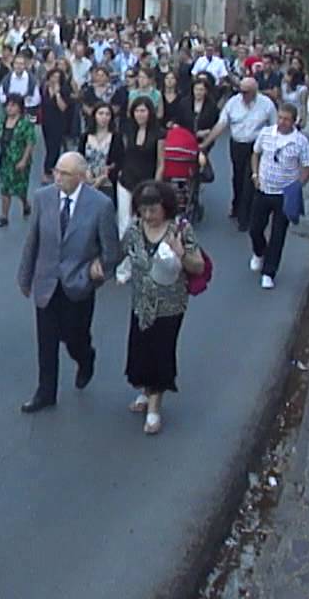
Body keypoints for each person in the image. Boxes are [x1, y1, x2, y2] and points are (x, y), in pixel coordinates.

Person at [16, 153, 122, 413]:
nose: (58, 178)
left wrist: (100, 270)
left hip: (79, 283)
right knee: (46, 340)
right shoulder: (43, 197)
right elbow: (33, 240)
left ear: (81, 177)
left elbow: (111, 249)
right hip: (47, 281)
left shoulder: (100, 205)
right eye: (56, 171)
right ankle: (45, 392)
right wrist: (25, 276)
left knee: (74, 337)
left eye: (64, 174)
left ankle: (85, 358)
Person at [118, 181, 205, 435]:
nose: (148, 216)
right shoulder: (135, 228)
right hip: (141, 301)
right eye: (144, 210)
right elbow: (121, 250)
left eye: (153, 211)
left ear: (165, 208)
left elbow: (198, 266)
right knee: (140, 348)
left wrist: (181, 253)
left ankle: (155, 407)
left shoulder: (180, 229)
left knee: (161, 351)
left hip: (169, 304)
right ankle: (146, 391)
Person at [249, 104, 309, 290]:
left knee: (278, 234)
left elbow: (308, 169)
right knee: (255, 228)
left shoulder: (301, 142)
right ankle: (259, 252)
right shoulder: (266, 133)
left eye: (286, 119)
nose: (282, 122)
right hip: (263, 189)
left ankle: (269, 272)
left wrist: (296, 188)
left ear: (294, 121)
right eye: (280, 117)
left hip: (284, 194)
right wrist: (255, 174)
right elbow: (256, 153)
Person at [210, 77, 277, 231]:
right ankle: (236, 204)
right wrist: (206, 143)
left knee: (250, 179)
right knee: (237, 177)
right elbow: (221, 124)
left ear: (254, 91)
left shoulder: (266, 105)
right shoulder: (233, 103)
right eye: (241, 91)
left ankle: (245, 217)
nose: (243, 94)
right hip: (237, 144)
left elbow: (273, 128)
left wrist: (272, 150)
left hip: (256, 146)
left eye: (246, 92)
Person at [117, 98, 166, 235]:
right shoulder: (127, 130)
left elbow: (161, 162)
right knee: (124, 220)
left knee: (144, 218)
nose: (140, 114)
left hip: (147, 182)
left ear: (150, 112)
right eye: (137, 111)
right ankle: (124, 250)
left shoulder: (159, 133)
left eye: (143, 111)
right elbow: (123, 154)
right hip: (126, 180)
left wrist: (156, 184)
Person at [0, 93, 37, 227]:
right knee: (5, 187)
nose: (9, 108)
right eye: (8, 105)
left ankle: (25, 203)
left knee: (20, 187)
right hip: (5, 158)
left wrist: (24, 160)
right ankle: (4, 216)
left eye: (13, 105)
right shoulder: (1, 121)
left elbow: (30, 142)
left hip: (20, 159)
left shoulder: (25, 123)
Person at [81, 102, 124, 206]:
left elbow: (120, 160)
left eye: (107, 114)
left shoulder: (116, 137)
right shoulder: (85, 136)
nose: (104, 117)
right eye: (101, 113)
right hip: (87, 180)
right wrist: (86, 173)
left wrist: (105, 175)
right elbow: (79, 157)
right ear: (94, 115)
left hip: (107, 182)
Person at [39, 68, 74, 180]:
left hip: (58, 122)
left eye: (58, 77)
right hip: (46, 122)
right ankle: (53, 169)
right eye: (53, 76)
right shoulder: (43, 88)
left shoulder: (64, 90)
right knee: (49, 146)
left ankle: (48, 171)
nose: (55, 79)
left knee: (54, 148)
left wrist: (57, 93)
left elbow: (63, 107)